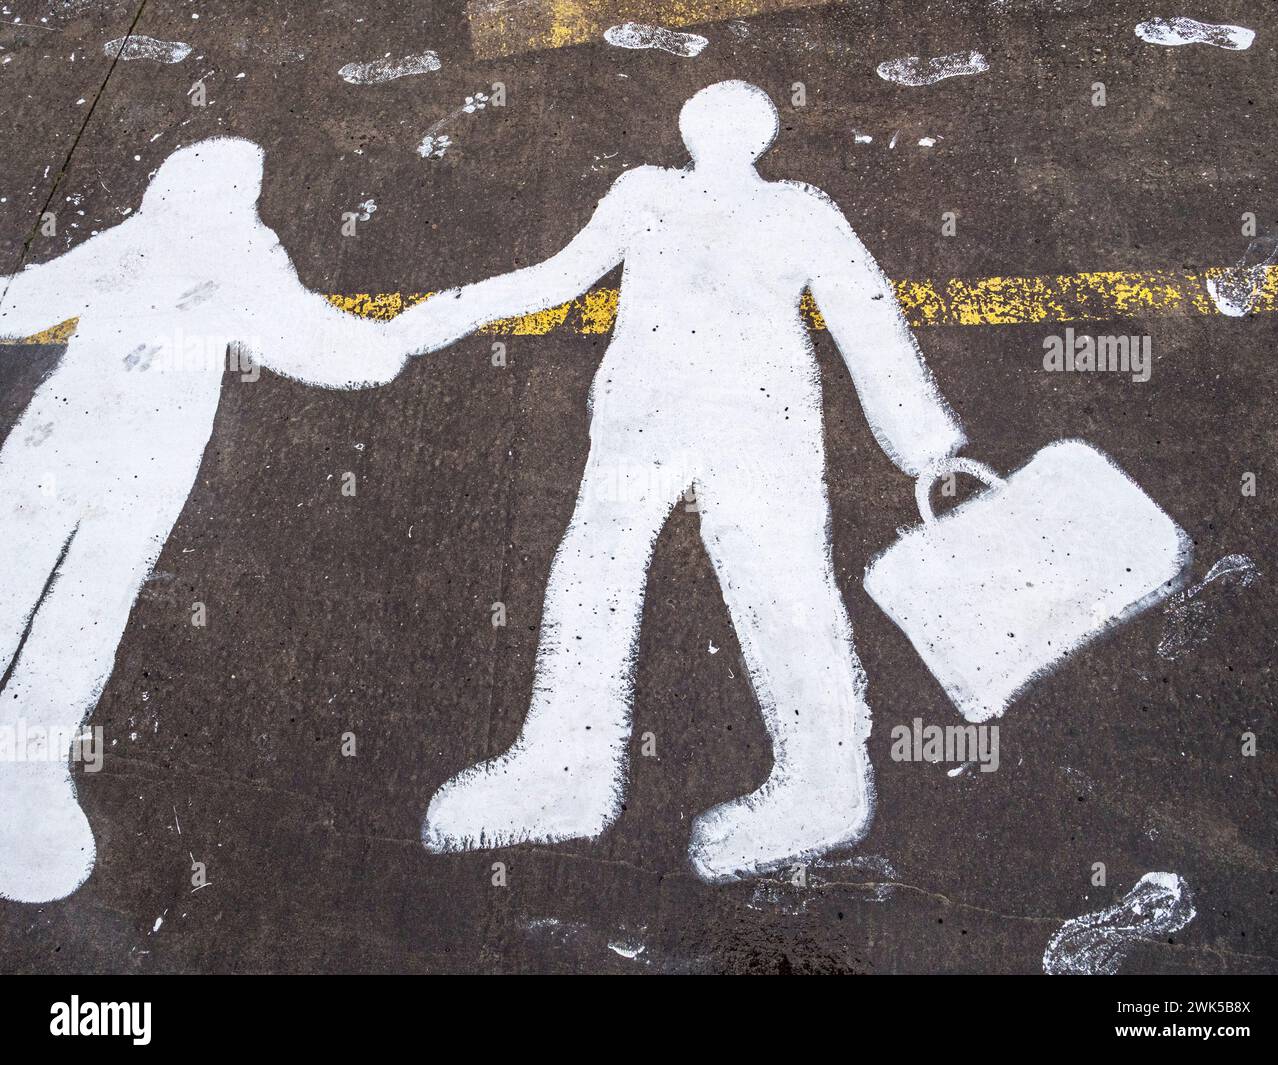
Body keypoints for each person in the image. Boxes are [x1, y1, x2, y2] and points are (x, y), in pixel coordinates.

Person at [397, 81, 966, 880]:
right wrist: (925, 445)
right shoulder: (785, 206)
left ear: (693, 128)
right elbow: (869, 323)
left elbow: (556, 278)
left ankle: (583, 771)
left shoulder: (660, 193)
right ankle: (806, 778)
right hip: (714, 416)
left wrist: (444, 313)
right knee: (757, 584)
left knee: (621, 574)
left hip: (697, 414)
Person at [0, 137, 421, 903]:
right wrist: (386, 348)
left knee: (32, 578)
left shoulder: (139, 241)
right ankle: (22, 773)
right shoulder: (245, 258)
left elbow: (20, 304)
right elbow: (321, 346)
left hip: (56, 445)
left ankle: (24, 772)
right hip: (139, 469)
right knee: (83, 612)